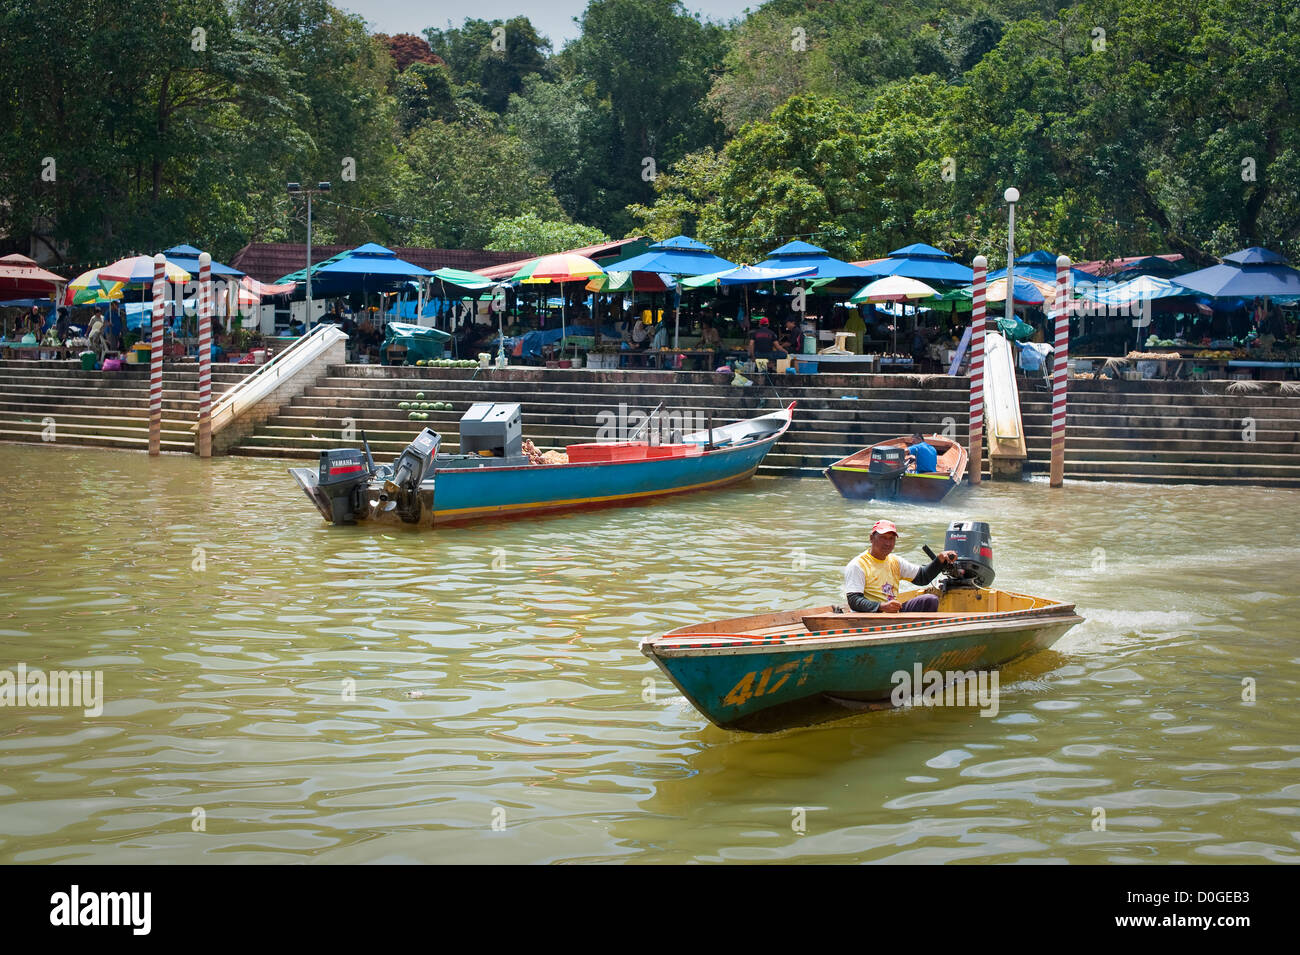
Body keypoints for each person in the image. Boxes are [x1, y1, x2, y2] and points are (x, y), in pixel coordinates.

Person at [843, 520, 956, 614]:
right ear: (871, 538)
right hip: (870, 616)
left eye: (891, 538)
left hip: (892, 614)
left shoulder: (895, 561)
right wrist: (881, 606)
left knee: (930, 600)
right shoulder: (857, 565)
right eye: (883, 537)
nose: (888, 543)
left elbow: (922, 577)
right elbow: (854, 600)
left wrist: (940, 560)